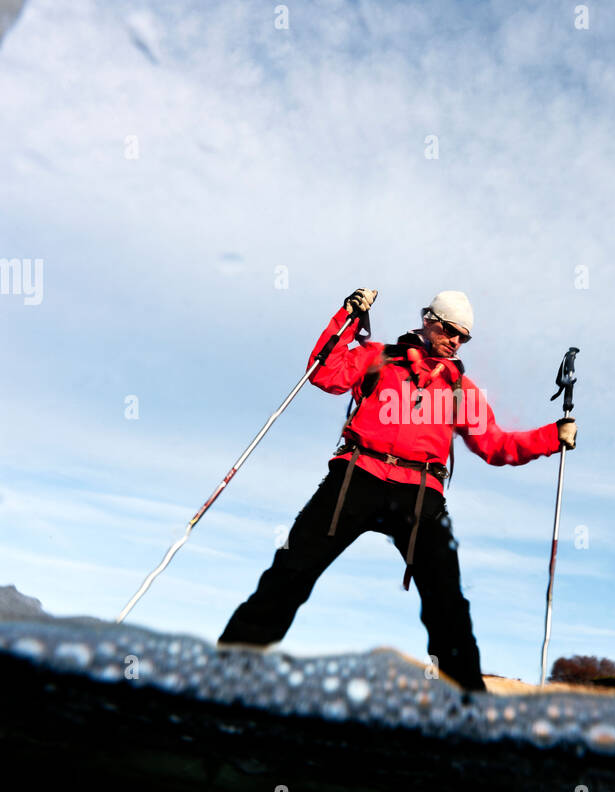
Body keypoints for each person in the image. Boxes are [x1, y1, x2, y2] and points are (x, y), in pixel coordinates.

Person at [217, 287, 577, 694]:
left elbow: (495, 445)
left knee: (447, 604)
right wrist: (347, 316)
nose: (456, 341)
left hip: (420, 494)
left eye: (464, 336)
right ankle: (227, 673)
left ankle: (469, 709)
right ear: (429, 321)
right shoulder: (379, 358)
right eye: (450, 330)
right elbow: (325, 373)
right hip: (356, 476)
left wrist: (551, 437)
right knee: (291, 572)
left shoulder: (462, 388)